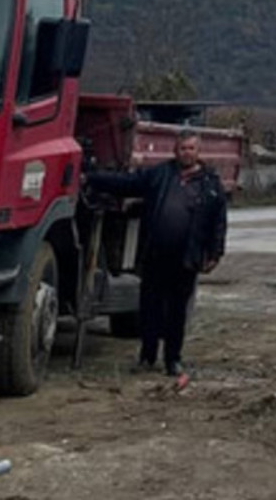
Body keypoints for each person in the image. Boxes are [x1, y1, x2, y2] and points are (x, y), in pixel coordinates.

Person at [85, 130, 227, 377]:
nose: (187, 153)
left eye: (191, 148)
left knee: (176, 312)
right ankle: (147, 357)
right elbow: (127, 184)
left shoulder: (210, 183)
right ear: (175, 150)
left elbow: (218, 222)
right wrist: (92, 178)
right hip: (155, 255)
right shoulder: (160, 174)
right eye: (183, 148)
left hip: (185, 258)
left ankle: (173, 360)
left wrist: (215, 253)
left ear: (198, 151)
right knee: (149, 308)